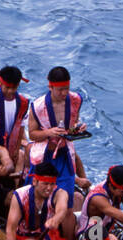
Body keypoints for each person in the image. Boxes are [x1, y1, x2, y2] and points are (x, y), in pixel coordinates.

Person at [26, 66, 90, 204]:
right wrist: (49, 132)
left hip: (64, 154)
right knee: (38, 199)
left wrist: (78, 127)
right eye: (60, 89)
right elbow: (32, 134)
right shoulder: (37, 106)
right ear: (50, 86)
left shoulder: (75, 100)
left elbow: (73, 124)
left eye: (67, 88)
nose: (64, 93)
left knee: (66, 198)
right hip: (45, 156)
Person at [4, 161, 72, 240]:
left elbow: (62, 210)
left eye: (52, 184)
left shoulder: (60, 193)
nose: (49, 188)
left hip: (49, 236)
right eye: (45, 184)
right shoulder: (20, 195)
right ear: (35, 181)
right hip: (23, 236)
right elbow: (10, 229)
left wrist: (56, 219)